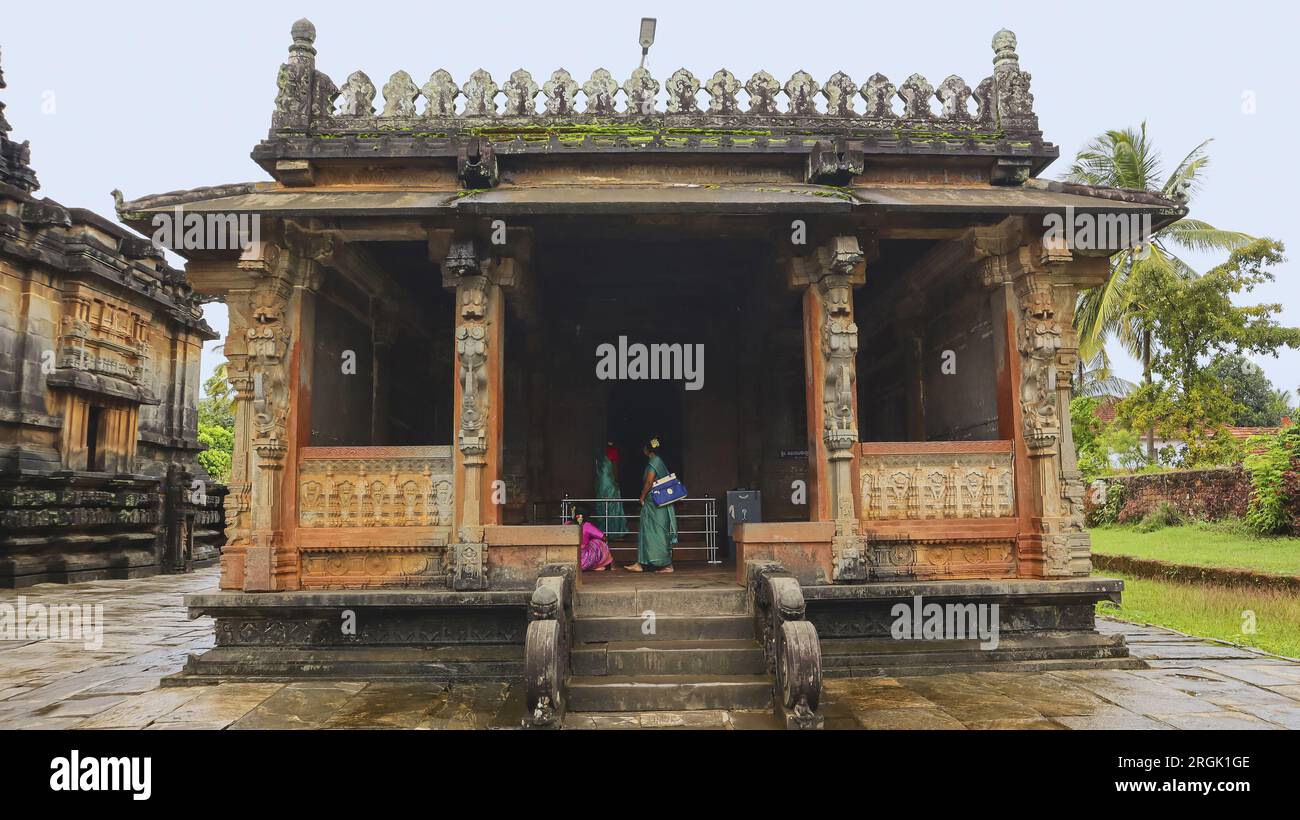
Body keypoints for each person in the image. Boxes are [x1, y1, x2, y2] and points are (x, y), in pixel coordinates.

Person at [625, 437, 677, 573]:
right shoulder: (657, 460)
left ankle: (667, 565)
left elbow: (649, 482)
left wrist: (641, 497)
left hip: (656, 504)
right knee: (647, 533)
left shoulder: (655, 461)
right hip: (653, 504)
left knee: (658, 534)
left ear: (647, 450)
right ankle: (641, 563)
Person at [594, 442, 628, 539]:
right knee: (613, 505)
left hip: (600, 483)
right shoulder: (613, 452)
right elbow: (615, 467)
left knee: (602, 505)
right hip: (609, 482)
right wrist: (616, 480)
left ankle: (603, 531)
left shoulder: (600, 454)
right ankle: (614, 531)